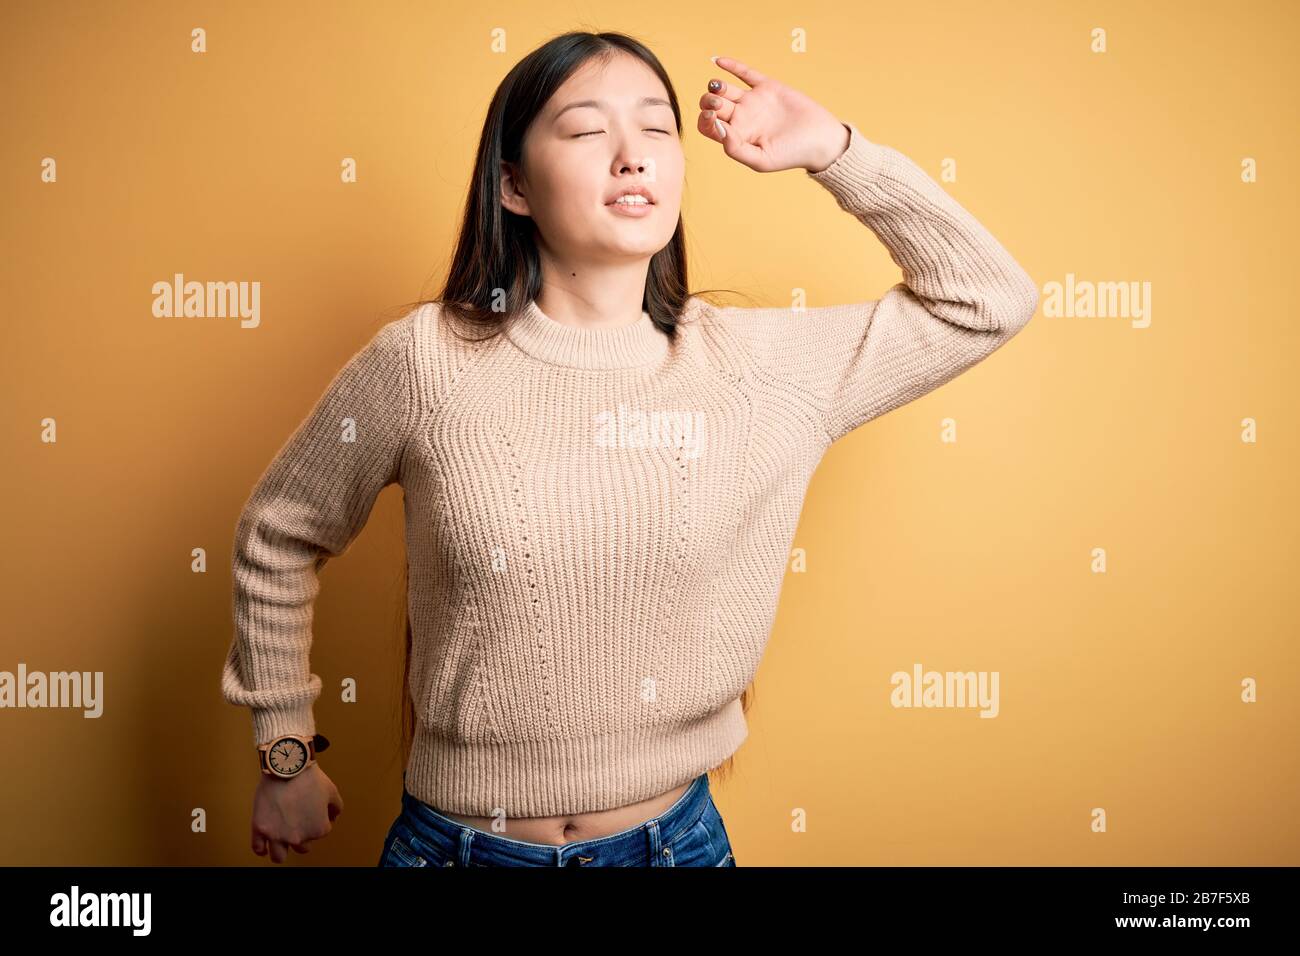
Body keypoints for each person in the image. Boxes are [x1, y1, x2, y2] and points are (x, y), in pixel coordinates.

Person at [221, 31, 1038, 867]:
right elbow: (280, 532)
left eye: (656, 130)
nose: (631, 158)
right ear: (513, 186)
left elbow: (988, 298)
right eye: (584, 132)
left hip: (674, 847)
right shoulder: (425, 360)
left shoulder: (760, 369)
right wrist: (283, 752)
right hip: (456, 849)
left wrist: (835, 152)